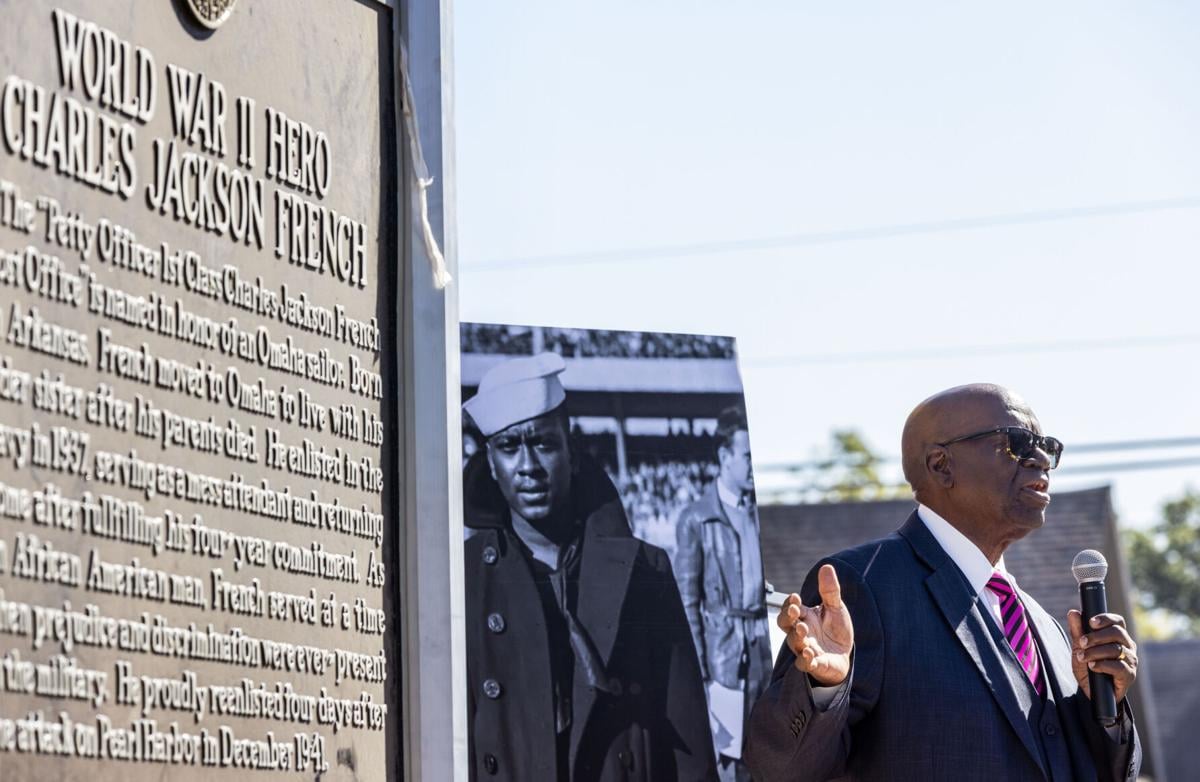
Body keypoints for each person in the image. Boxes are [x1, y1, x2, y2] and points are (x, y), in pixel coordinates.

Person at [746, 384, 1142, 782]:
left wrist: (1105, 712)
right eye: (1018, 442)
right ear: (941, 465)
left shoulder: (1051, 630)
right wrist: (822, 687)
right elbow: (779, 769)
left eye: (1047, 446)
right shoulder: (863, 586)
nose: (1041, 459)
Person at [462, 352, 717, 781]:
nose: (528, 467)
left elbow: (690, 747)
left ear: (572, 453)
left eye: (543, 443)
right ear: (490, 464)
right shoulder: (464, 580)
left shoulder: (645, 570)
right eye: (509, 447)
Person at [674, 406, 772, 781]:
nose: (753, 465)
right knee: (732, 757)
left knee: (770, 748)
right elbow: (688, 601)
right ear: (724, 457)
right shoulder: (695, 518)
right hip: (724, 657)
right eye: (748, 456)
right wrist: (701, 670)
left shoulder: (759, 511)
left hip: (765, 647)